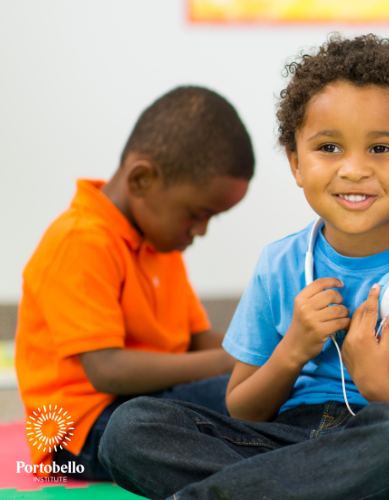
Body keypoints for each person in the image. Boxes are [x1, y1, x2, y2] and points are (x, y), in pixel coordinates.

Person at [98, 34, 389, 500]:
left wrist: (380, 386)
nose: (353, 169)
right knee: (131, 427)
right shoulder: (279, 265)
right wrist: (292, 349)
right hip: (283, 447)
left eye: (381, 149)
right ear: (295, 163)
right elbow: (243, 412)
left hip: (384, 444)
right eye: (329, 148)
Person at [14, 86, 253, 481]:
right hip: (81, 434)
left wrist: (260, 352)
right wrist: (232, 363)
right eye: (196, 214)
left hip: (148, 404)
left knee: (262, 389)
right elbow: (107, 370)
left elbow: (195, 337)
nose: (202, 231)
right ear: (142, 180)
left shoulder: (161, 244)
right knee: (237, 397)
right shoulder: (80, 240)